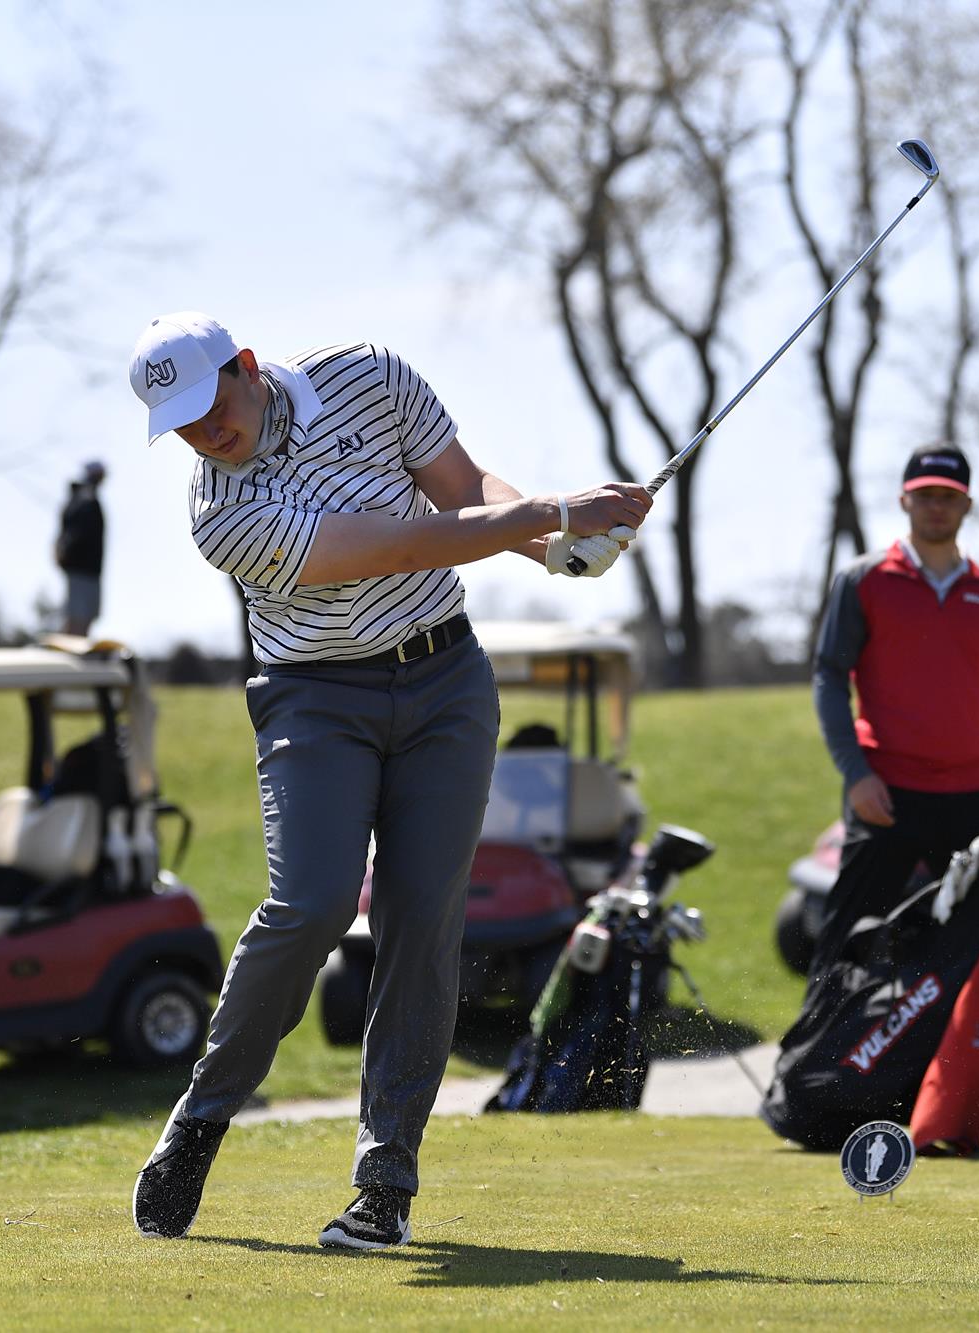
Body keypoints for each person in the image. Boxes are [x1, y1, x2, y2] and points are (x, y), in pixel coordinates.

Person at [124, 311, 650, 1250]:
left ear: (245, 366)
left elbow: (463, 489)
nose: (206, 432)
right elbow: (399, 545)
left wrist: (553, 544)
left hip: (446, 681)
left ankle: (385, 1181)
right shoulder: (222, 515)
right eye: (184, 426)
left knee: (422, 920)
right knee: (314, 904)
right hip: (315, 699)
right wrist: (549, 516)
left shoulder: (368, 374)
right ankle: (202, 1117)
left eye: (211, 405)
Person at [810, 443, 979, 974]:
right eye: (925, 495)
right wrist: (855, 774)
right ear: (904, 500)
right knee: (846, 950)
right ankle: (822, 1035)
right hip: (886, 793)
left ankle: (959, 1034)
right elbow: (830, 677)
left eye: (949, 497)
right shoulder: (863, 579)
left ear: (967, 505)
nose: (937, 507)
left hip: (975, 798)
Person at [55, 460, 107, 636]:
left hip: (89, 569)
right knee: (78, 618)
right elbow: (72, 533)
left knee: (85, 617)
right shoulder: (84, 499)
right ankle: (66, 652)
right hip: (81, 569)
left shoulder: (84, 498)